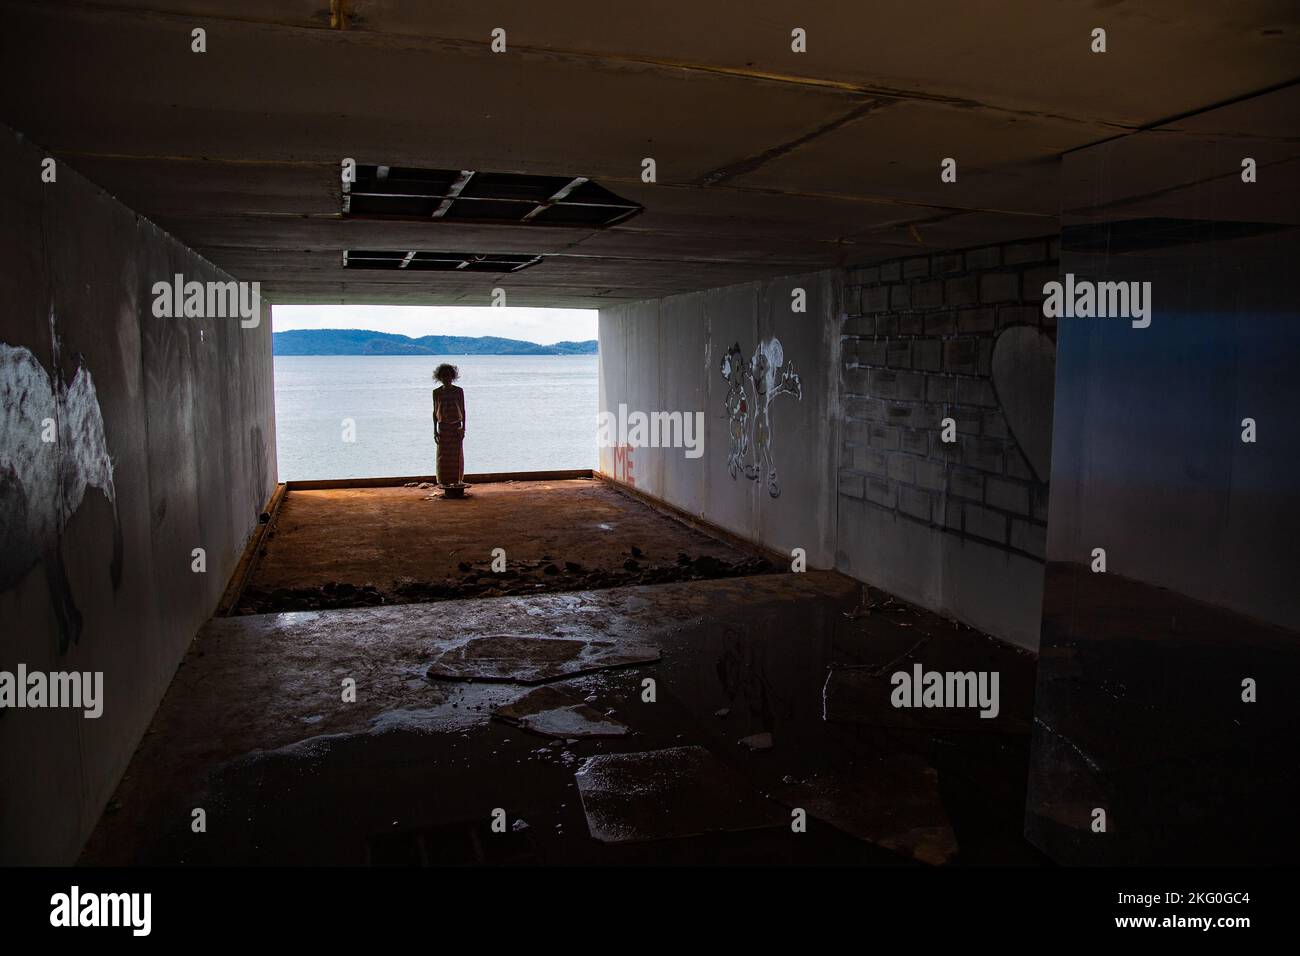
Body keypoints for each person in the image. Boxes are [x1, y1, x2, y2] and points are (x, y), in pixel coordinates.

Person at [432, 364, 466, 487]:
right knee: (443, 457)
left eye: (448, 375)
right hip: (443, 427)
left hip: (456, 427)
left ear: (452, 377)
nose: (446, 378)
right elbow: (434, 412)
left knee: (456, 456)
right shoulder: (436, 393)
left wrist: (463, 428)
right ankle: (443, 481)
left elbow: (463, 410)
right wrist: (435, 431)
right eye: (444, 376)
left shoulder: (458, 391)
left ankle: (457, 481)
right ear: (440, 377)